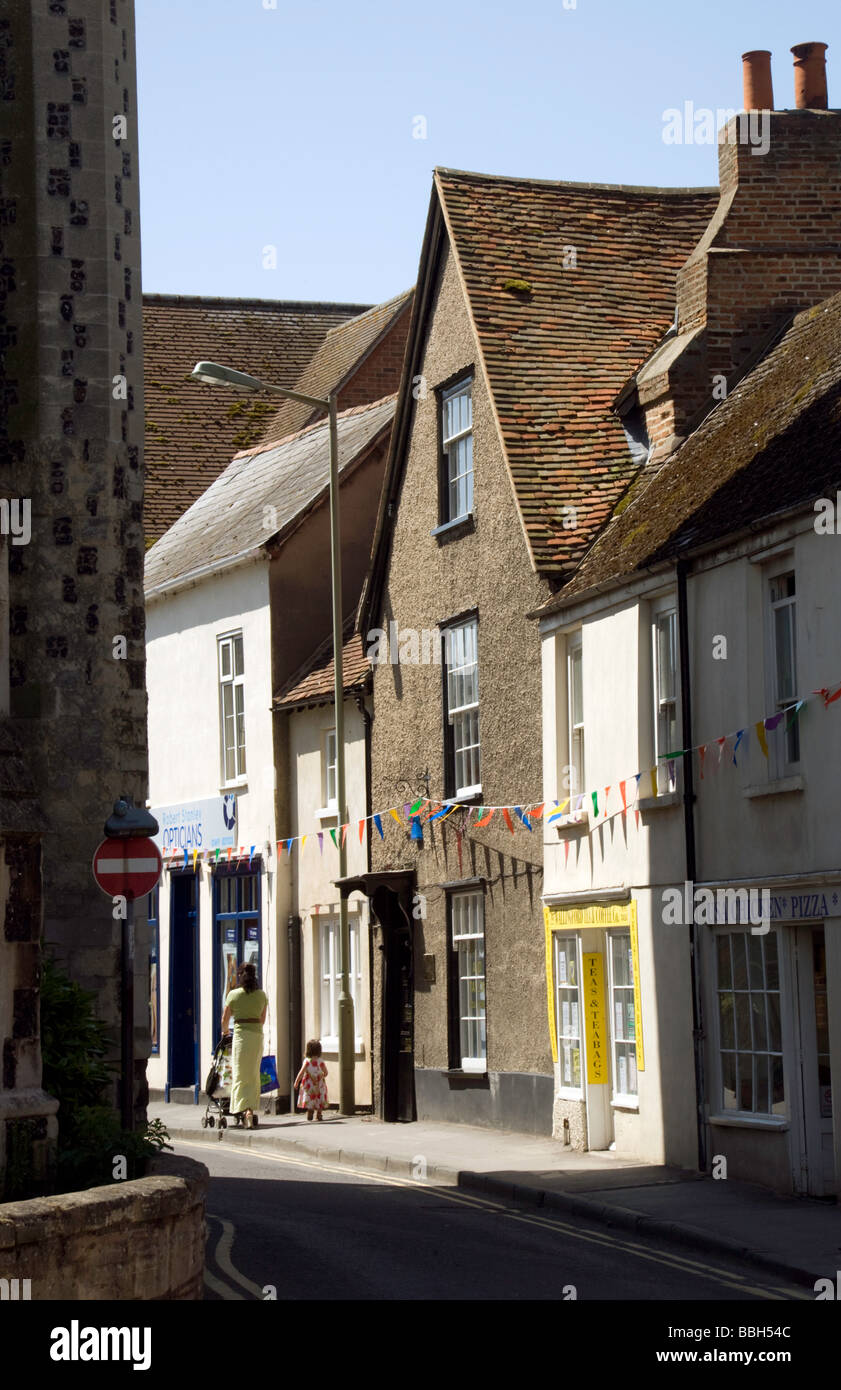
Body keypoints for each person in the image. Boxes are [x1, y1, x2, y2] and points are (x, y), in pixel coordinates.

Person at [220, 961, 268, 1129]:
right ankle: (250, 1110)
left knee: (240, 1074)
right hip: (256, 1037)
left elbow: (224, 1020)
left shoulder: (233, 995)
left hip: (240, 1037)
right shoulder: (262, 995)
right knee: (253, 1074)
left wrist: (225, 1033)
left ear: (240, 976)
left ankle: (243, 1110)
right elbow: (262, 1020)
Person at [294, 1039, 328, 1121]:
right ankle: (319, 1114)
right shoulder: (321, 1061)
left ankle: (310, 1111)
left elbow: (301, 1072)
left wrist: (296, 1081)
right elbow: (326, 1072)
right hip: (319, 1083)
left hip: (309, 1083)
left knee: (310, 1097)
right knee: (319, 1097)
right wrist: (322, 1076)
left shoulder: (307, 1061)